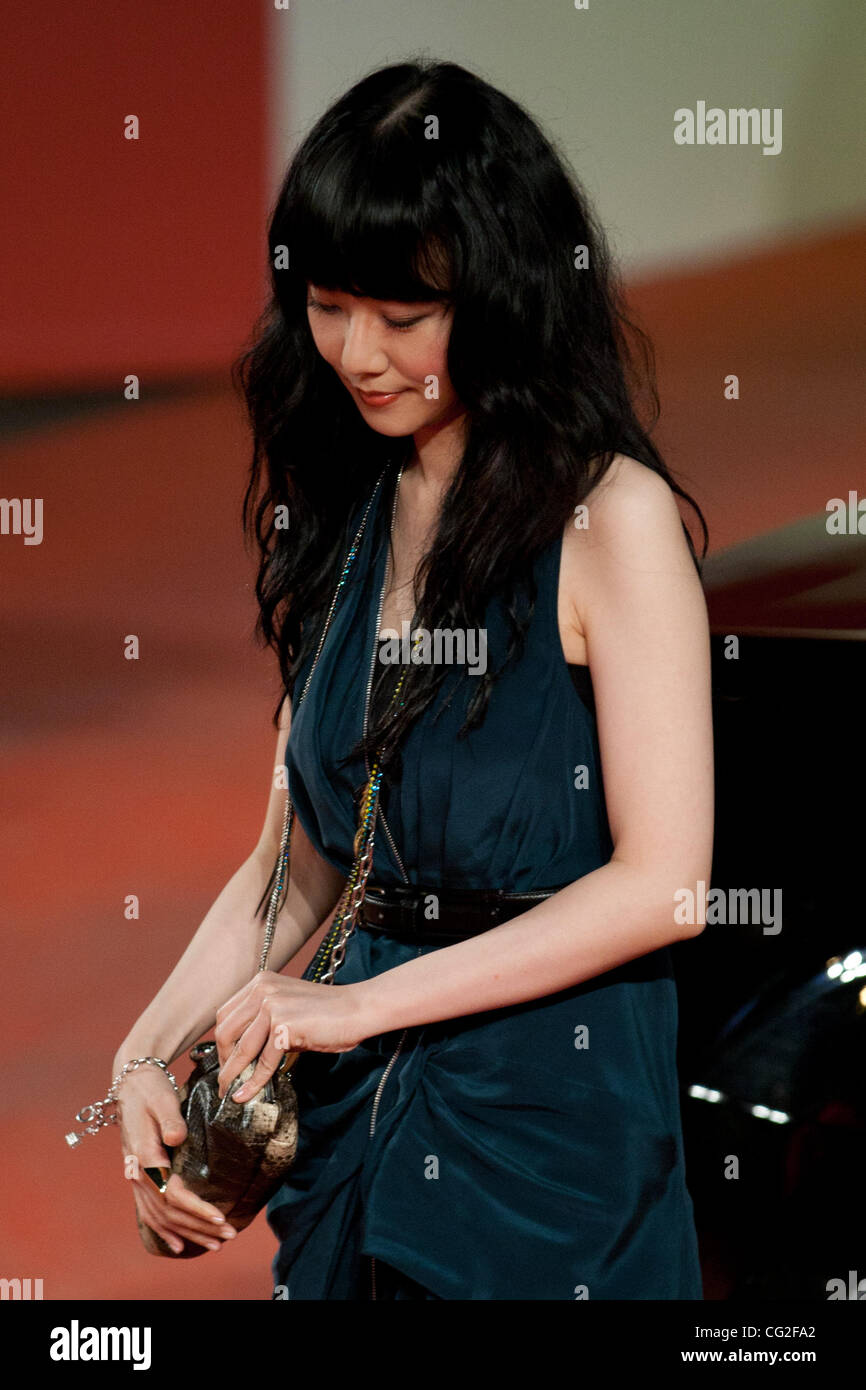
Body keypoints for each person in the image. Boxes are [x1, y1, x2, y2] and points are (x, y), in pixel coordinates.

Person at [110, 58, 713, 1300]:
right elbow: (296, 867)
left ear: (499, 294)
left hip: (554, 1163)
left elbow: (664, 887)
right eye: (330, 308)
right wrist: (143, 1056)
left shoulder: (611, 520)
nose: (357, 354)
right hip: (360, 1144)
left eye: (404, 315)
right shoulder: (346, 512)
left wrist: (349, 1012)